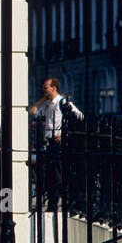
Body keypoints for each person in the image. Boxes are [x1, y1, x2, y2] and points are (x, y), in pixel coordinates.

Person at [29, 77, 84, 215]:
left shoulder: (63, 102)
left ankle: (58, 203)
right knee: (49, 173)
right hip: (49, 143)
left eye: (46, 87)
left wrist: (65, 133)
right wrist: (44, 98)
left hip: (59, 143)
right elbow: (32, 111)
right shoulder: (47, 104)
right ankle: (51, 202)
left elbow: (80, 117)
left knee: (57, 173)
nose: (43, 89)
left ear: (54, 88)